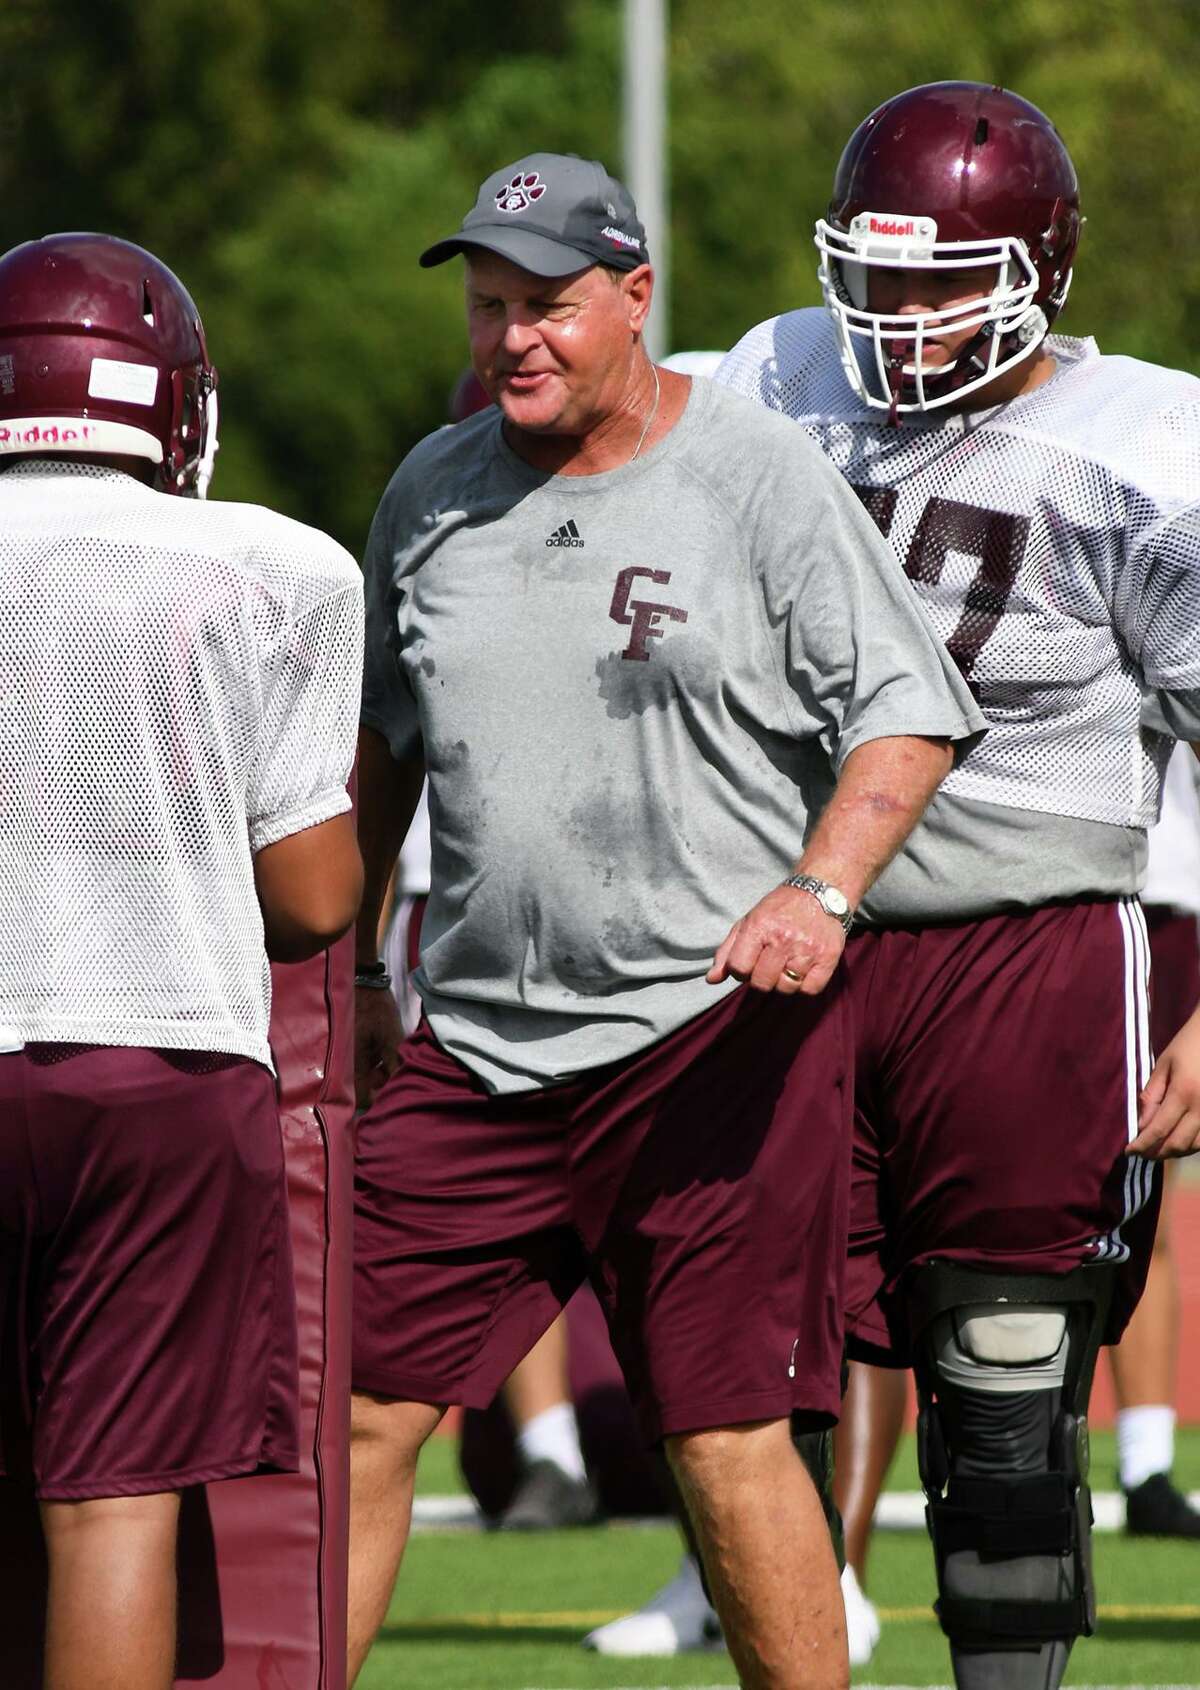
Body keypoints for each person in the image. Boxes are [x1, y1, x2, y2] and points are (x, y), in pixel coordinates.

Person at [347, 149, 984, 1690]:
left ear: (635, 301)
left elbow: (907, 714)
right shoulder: (428, 494)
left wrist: (824, 887)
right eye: (493, 307)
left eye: (550, 306)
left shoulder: (758, 471)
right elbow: (377, 756)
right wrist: (360, 969)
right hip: (478, 1049)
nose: (515, 339)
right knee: (348, 1407)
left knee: (723, 1436)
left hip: (711, 1043)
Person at [715, 79, 1200, 1690]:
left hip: (1032, 936)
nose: (905, 325)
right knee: (756, 1360)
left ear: (1042, 270)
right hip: (793, 927)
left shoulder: (1141, 442)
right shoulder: (775, 379)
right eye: (881, 279)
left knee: (1004, 1369)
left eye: (946, 287)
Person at [0, 234, 363, 1690]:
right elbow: (316, 895)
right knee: (111, 1499)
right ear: (174, 402)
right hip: (157, 1057)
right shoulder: (272, 568)